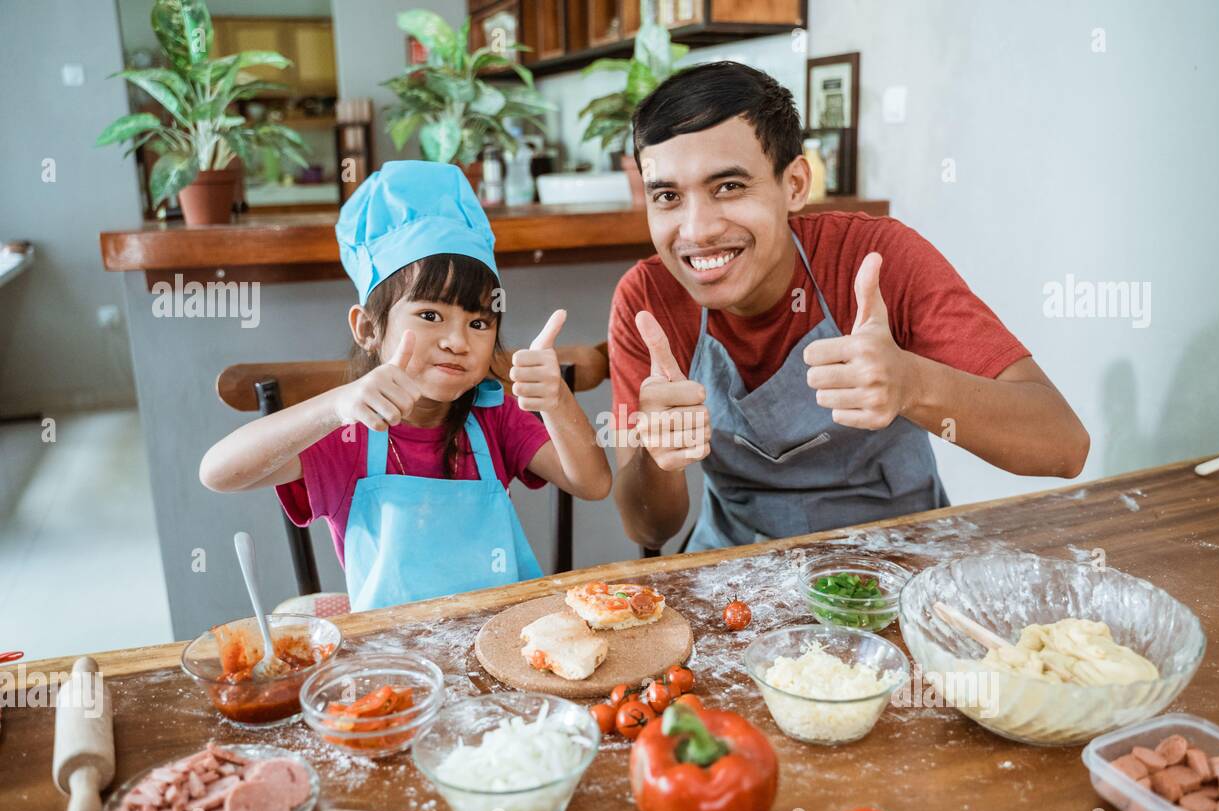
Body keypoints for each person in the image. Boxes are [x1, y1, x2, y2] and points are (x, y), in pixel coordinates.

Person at [607, 62, 1089, 551]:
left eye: (728, 187)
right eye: (668, 196)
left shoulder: (875, 260)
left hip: (901, 561)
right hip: (735, 578)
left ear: (794, 185)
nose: (697, 230)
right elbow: (649, 529)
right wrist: (659, 456)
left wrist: (912, 383)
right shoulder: (647, 302)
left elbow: (1063, 446)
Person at [200, 162, 611, 610]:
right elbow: (219, 473)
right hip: (395, 662)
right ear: (368, 329)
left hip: (505, 640)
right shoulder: (347, 435)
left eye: (478, 322)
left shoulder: (495, 418)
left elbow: (592, 484)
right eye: (431, 315)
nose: (457, 341)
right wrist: (337, 406)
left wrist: (556, 402)